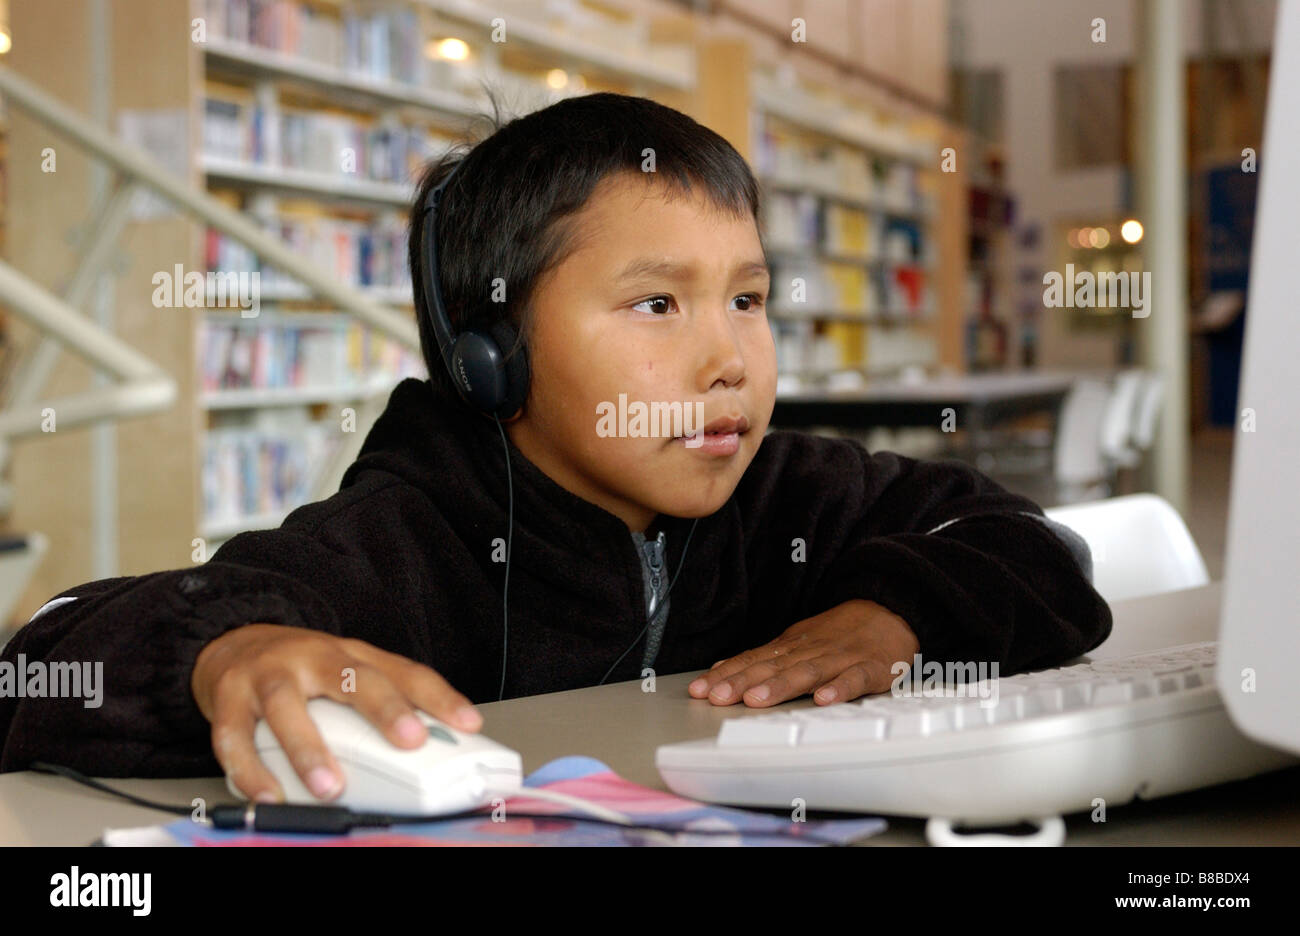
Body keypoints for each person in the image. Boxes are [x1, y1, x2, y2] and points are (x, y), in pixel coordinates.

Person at [0, 93, 1108, 804]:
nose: (730, 358)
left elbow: (1029, 544)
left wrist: (896, 612)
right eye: (657, 305)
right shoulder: (406, 540)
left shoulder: (798, 496)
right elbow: (40, 659)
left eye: (749, 298)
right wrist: (223, 654)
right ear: (494, 356)